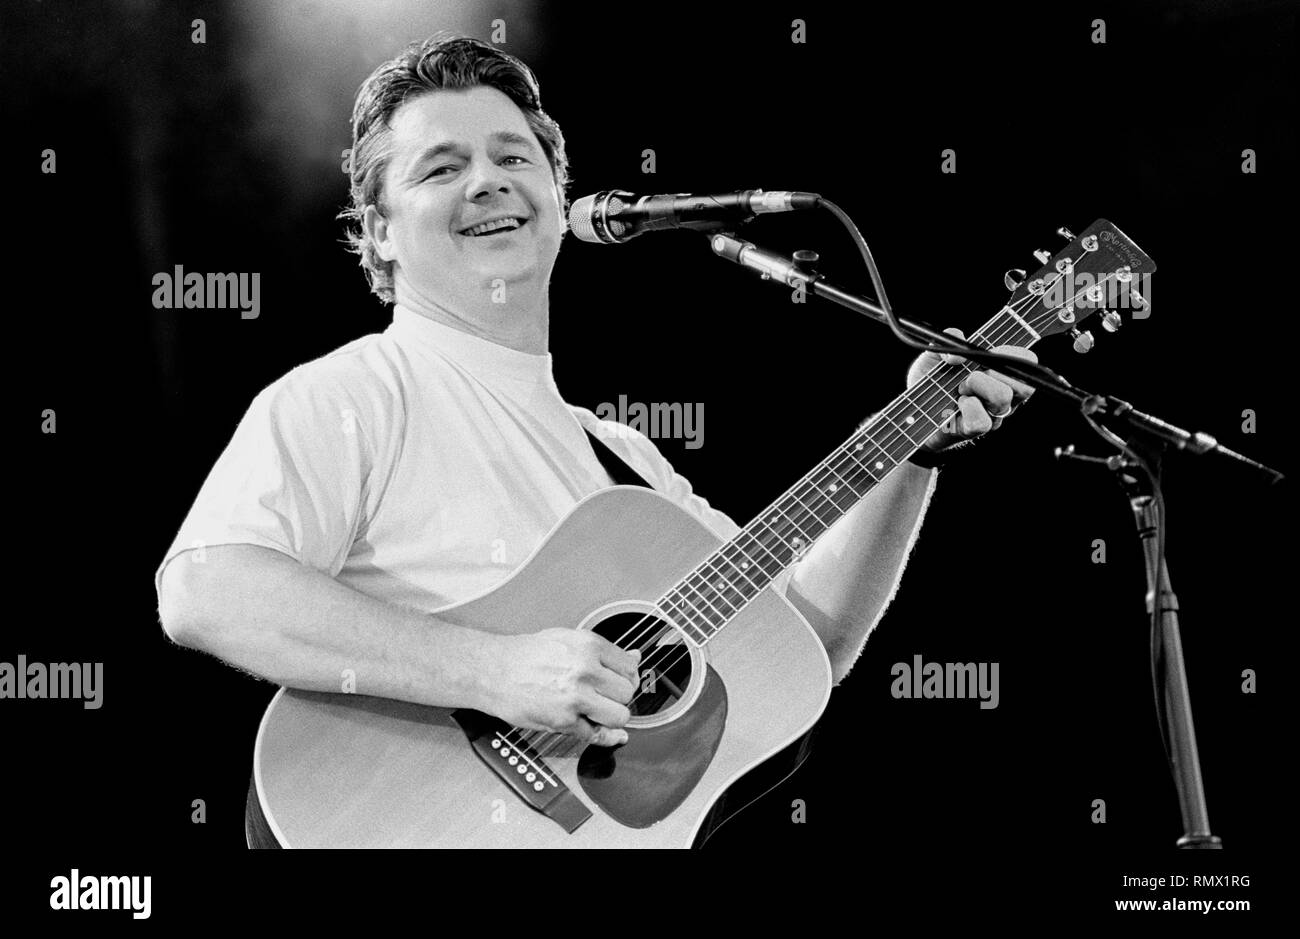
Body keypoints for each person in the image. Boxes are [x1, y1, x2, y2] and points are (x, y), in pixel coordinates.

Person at [155, 34, 1035, 748]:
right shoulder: (349, 395)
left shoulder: (624, 458)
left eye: (513, 156)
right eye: (440, 168)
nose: (488, 180)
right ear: (379, 235)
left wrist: (914, 448)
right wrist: (494, 672)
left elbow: (807, 641)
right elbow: (207, 590)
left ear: (558, 195)